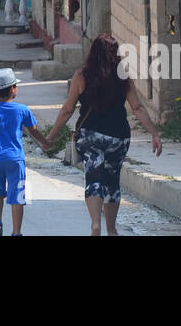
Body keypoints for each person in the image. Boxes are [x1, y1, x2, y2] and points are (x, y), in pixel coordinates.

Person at [45, 33, 162, 235]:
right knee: (111, 180)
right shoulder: (122, 76)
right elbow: (138, 107)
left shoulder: (82, 76)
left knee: (94, 177)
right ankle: (111, 229)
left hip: (90, 136)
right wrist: (154, 133)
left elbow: (67, 109)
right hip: (118, 137)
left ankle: (95, 223)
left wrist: (52, 135)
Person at [0, 68, 49, 236]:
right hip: (16, 159)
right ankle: (16, 232)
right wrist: (45, 142)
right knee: (18, 195)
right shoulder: (22, 109)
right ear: (13, 88)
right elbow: (33, 131)